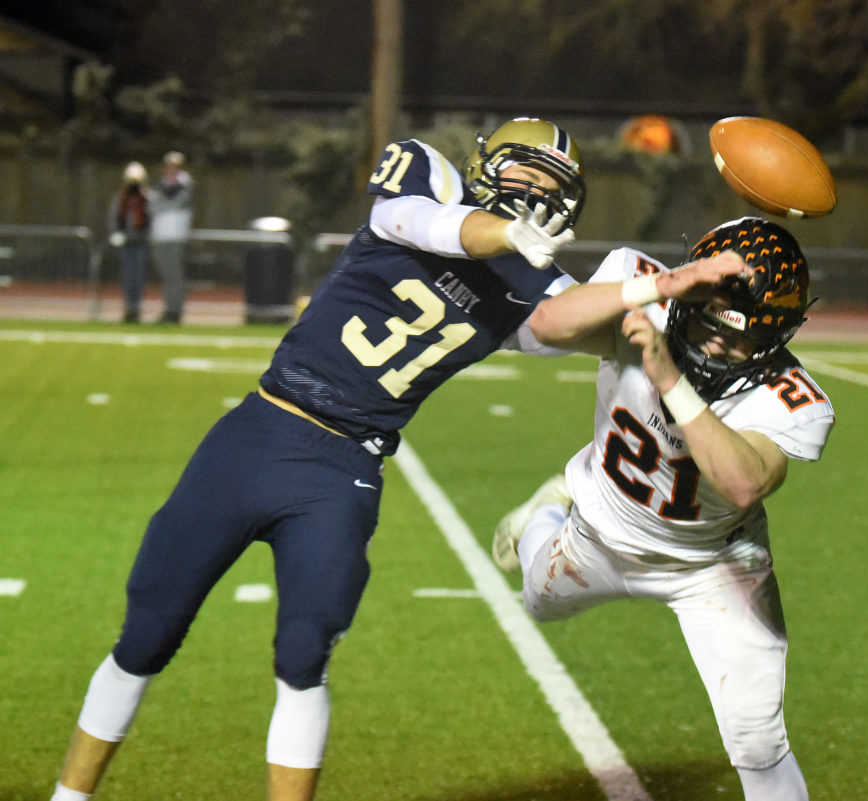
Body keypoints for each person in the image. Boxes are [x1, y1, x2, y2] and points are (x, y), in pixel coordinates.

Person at [49, 117, 588, 801]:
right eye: (527, 172)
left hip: (344, 472)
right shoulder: (430, 180)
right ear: (487, 164)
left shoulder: (535, 284)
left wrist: (660, 290)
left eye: (552, 183)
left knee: (305, 658)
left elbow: (585, 323)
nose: (537, 192)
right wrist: (506, 234)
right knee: (146, 633)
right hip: (260, 431)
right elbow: (419, 222)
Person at [492, 217, 835, 801]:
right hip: (601, 528)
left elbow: (743, 482)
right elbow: (545, 325)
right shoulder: (649, 291)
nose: (724, 345)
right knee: (536, 599)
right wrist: (664, 288)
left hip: (713, 565)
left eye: (748, 336)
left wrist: (669, 377)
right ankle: (546, 513)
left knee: (758, 741)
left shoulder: (796, 401)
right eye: (712, 324)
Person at [147, 150, 195, 323]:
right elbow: (152, 207)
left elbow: (173, 203)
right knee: (166, 276)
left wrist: (160, 204)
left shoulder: (185, 184)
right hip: (160, 235)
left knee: (175, 275)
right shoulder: (160, 184)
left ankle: (176, 310)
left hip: (175, 235)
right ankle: (168, 308)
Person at [107, 161, 152, 323]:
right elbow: (114, 218)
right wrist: (116, 234)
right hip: (126, 242)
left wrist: (147, 236)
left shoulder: (147, 198)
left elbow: (150, 219)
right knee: (127, 276)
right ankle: (128, 307)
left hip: (140, 242)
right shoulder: (121, 198)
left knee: (138, 276)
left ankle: (137, 307)